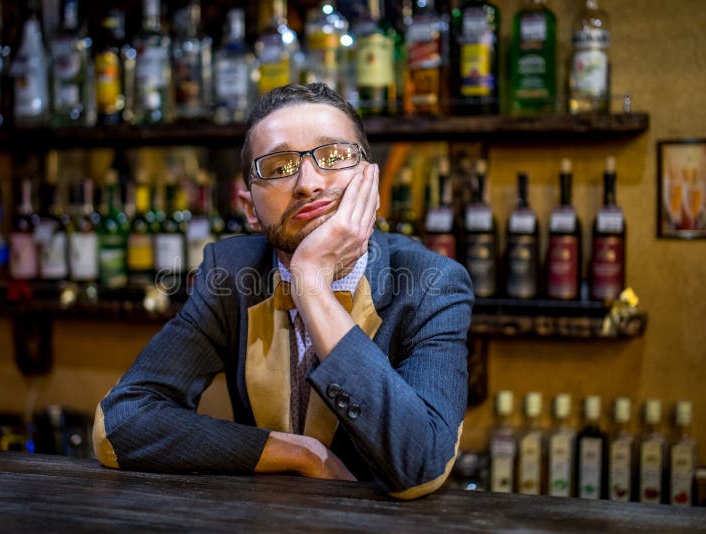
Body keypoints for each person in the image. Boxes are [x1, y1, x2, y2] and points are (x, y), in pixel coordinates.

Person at [92, 83, 473, 500]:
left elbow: (421, 465)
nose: (308, 183)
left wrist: (311, 282)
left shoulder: (432, 283)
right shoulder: (230, 273)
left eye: (333, 156)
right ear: (250, 209)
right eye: (278, 167)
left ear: (371, 183)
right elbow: (120, 423)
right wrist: (298, 453)